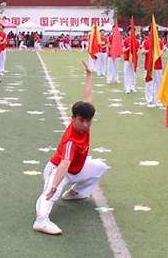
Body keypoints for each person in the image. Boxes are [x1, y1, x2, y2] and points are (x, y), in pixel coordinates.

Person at [33, 61, 108, 235]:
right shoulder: (71, 140)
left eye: (88, 121)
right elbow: (64, 163)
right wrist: (54, 185)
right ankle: (41, 220)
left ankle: (75, 193)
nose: (86, 124)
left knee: (100, 167)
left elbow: (87, 97)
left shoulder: (85, 119)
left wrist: (89, 75)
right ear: (73, 118)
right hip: (59, 170)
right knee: (50, 194)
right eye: (82, 120)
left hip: (75, 168)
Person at [122, 26, 139, 93]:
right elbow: (123, 50)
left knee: (133, 73)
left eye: (134, 31)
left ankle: (132, 87)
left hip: (134, 59)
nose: (133, 32)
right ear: (128, 32)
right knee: (127, 73)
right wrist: (128, 48)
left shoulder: (137, 41)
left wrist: (136, 55)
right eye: (131, 31)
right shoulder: (126, 40)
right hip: (127, 59)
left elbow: (138, 50)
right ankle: (127, 88)